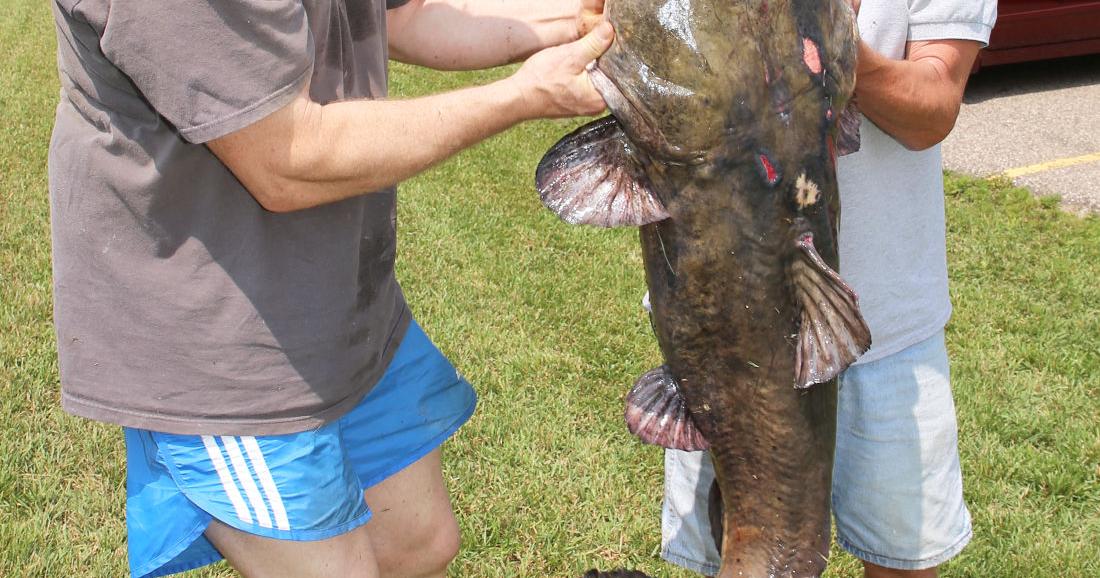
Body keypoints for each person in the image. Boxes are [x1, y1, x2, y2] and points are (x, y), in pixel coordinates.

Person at [48, 1, 611, 577]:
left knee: (419, 544)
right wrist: (523, 96)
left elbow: (401, 15)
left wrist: (584, 22)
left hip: (335, 304)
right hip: (218, 340)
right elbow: (289, 159)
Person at [658, 1, 998, 577]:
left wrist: (832, 49)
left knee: (901, 562)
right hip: (723, 327)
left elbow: (935, 104)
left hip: (887, 327)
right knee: (743, 548)